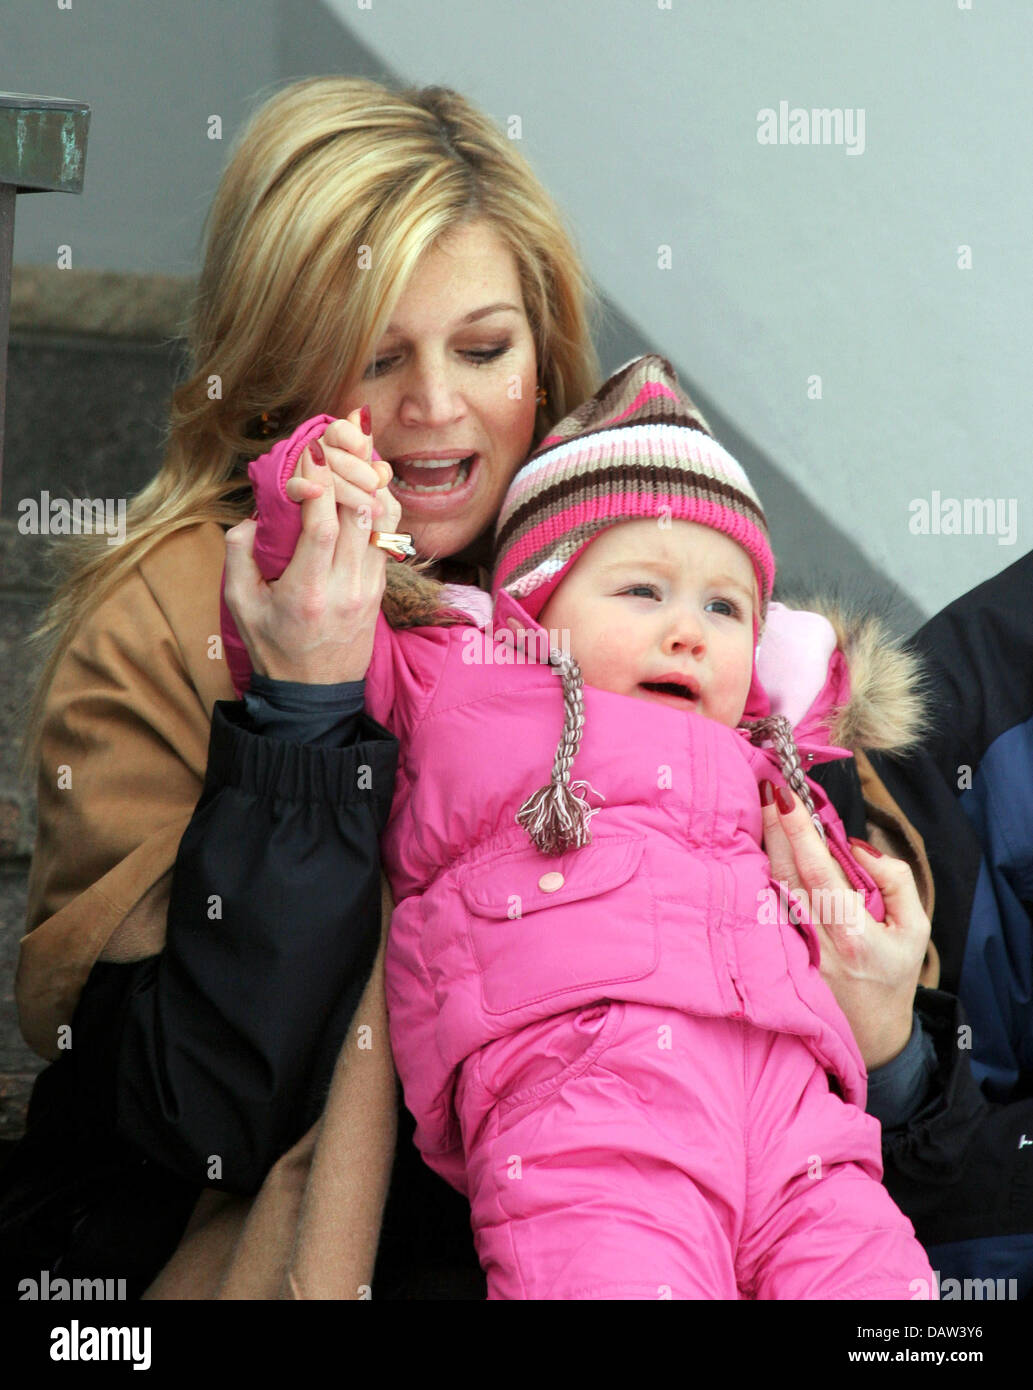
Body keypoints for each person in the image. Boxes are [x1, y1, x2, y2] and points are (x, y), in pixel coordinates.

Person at [0, 75, 600, 1299]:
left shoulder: (629, 578)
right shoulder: (166, 617)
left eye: (485, 349)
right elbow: (204, 1109)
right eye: (377, 357)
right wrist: (306, 718)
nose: (436, 408)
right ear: (274, 374)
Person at [221, 354, 938, 1299]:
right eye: (642, 591)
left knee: (887, 1295)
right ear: (533, 610)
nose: (688, 630)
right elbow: (310, 593)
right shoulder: (463, 680)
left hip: (793, 1109)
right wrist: (322, 485)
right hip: (589, 1089)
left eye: (724, 607)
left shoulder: (770, 754)